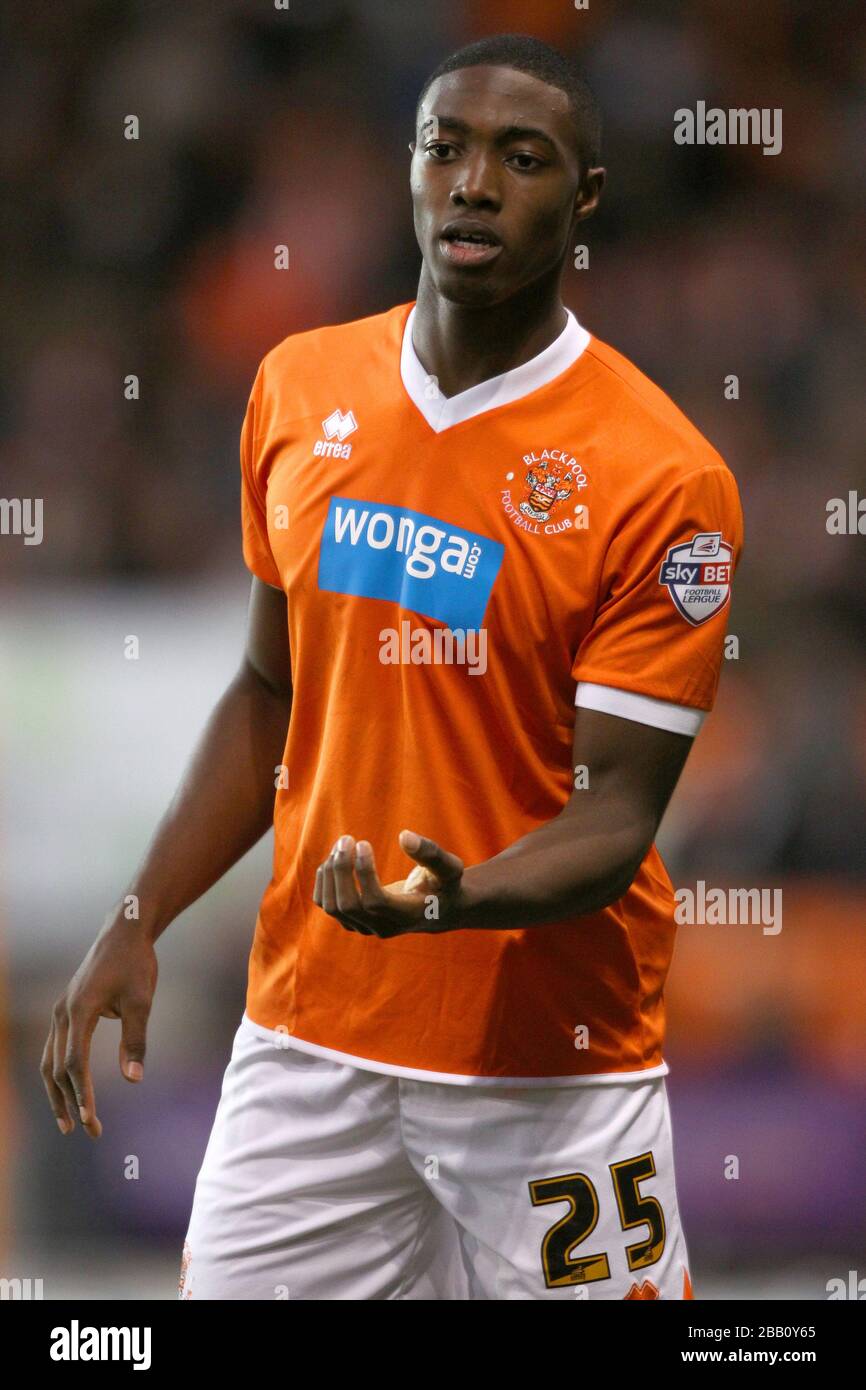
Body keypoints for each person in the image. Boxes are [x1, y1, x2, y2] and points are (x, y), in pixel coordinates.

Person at [42, 33, 743, 1300]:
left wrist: (453, 903)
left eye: (520, 159)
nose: (473, 183)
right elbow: (269, 693)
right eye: (445, 148)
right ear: (409, 168)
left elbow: (617, 813)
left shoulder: (662, 476)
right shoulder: (299, 390)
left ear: (583, 198)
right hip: (312, 1035)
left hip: (546, 1065)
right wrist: (141, 914)